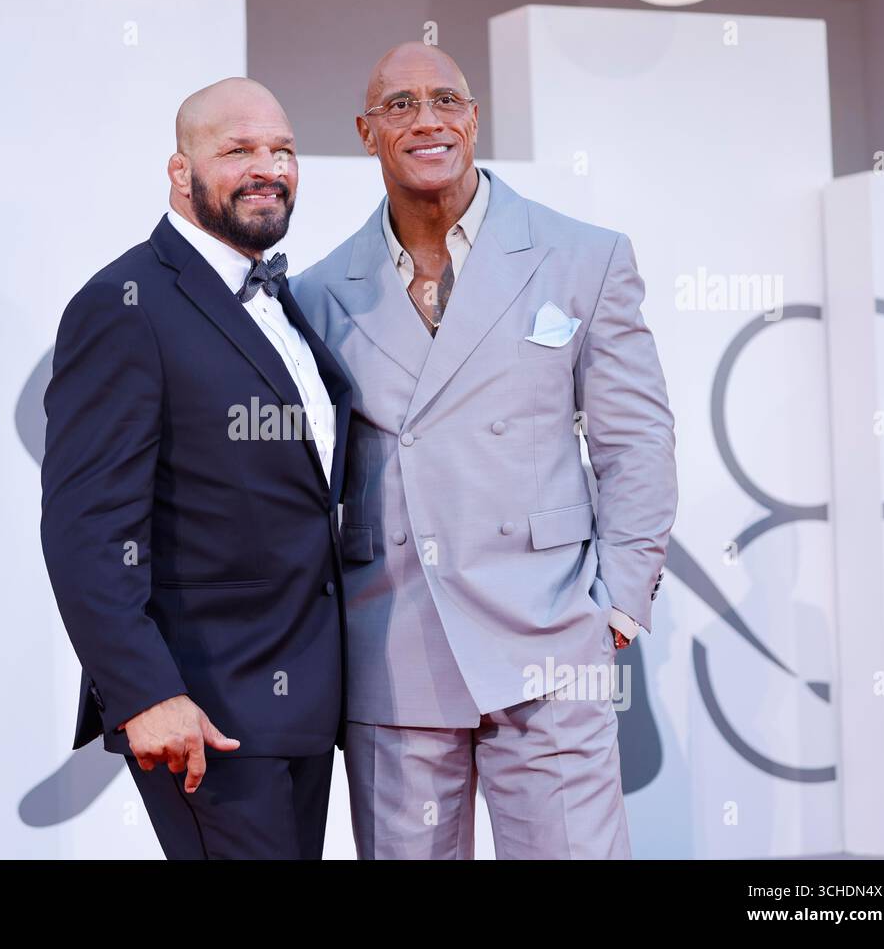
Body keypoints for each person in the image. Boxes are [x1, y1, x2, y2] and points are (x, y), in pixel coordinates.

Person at [291, 43, 678, 859]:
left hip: (551, 637)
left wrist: (619, 601)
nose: (426, 119)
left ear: (474, 117)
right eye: (399, 105)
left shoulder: (584, 256)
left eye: (445, 100)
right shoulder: (321, 293)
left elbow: (635, 437)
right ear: (366, 132)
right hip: (394, 648)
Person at [40, 77, 351, 859]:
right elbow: (87, 528)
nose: (268, 167)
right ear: (181, 173)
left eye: (282, 150)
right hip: (204, 709)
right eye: (238, 149)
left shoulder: (288, 302)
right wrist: (145, 693)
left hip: (306, 702)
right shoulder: (125, 305)